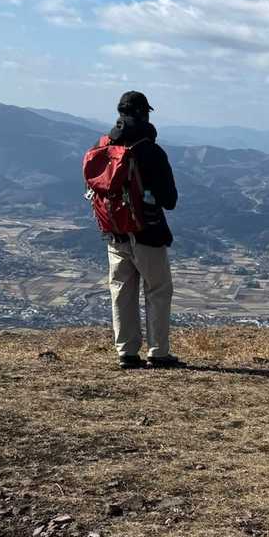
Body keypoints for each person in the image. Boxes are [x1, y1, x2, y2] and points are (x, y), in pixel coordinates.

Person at [102, 92, 181, 370]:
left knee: (121, 290)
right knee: (158, 290)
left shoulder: (105, 146)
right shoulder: (150, 151)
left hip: (114, 231)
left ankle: (126, 353)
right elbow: (169, 200)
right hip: (147, 232)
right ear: (145, 114)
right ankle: (158, 352)